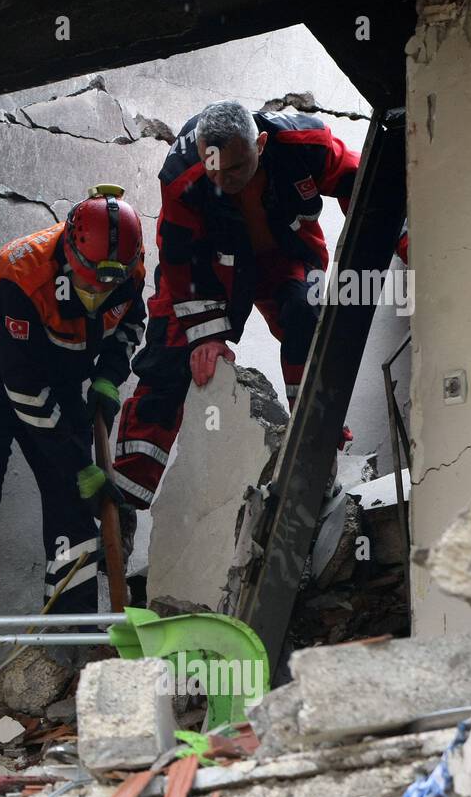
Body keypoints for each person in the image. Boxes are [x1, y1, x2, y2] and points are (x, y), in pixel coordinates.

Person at [0, 185, 146, 675]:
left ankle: (66, 652)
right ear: (68, 253)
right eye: (90, 284)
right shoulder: (19, 272)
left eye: (107, 289)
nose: (97, 297)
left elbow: (132, 323)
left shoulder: (127, 266)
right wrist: (79, 465)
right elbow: (24, 391)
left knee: (74, 507)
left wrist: (111, 375)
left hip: (58, 378)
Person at [112, 100, 362, 509]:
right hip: (210, 274)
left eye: (234, 170)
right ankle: (123, 500)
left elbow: (365, 184)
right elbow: (178, 256)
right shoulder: (182, 176)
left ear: (261, 144)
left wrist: (406, 239)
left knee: (309, 322)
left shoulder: (304, 142)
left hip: (288, 258)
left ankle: (319, 448)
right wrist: (208, 335)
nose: (222, 180)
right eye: (213, 169)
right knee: (170, 358)